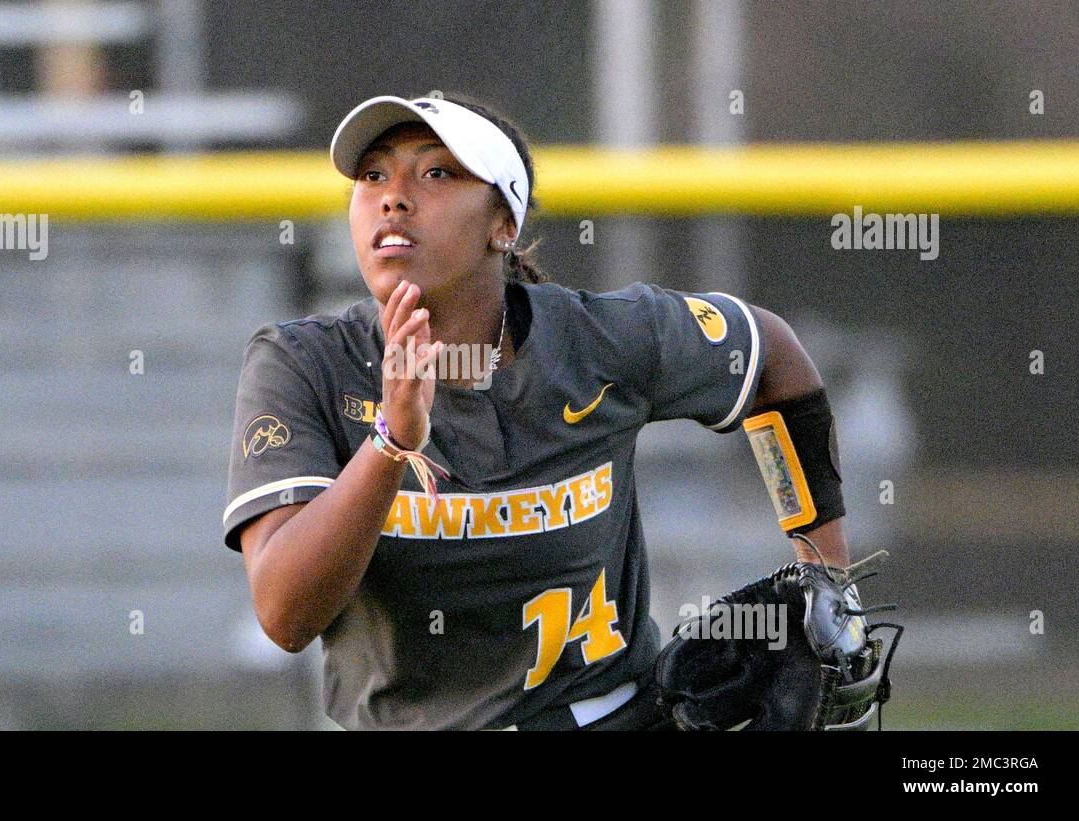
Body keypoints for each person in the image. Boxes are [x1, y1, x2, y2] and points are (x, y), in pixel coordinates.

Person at [223, 92, 851, 730]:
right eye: (373, 176)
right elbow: (285, 615)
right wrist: (389, 444)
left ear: (503, 225)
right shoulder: (305, 364)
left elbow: (769, 356)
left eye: (436, 172)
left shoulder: (600, 340)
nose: (394, 197)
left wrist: (823, 573)